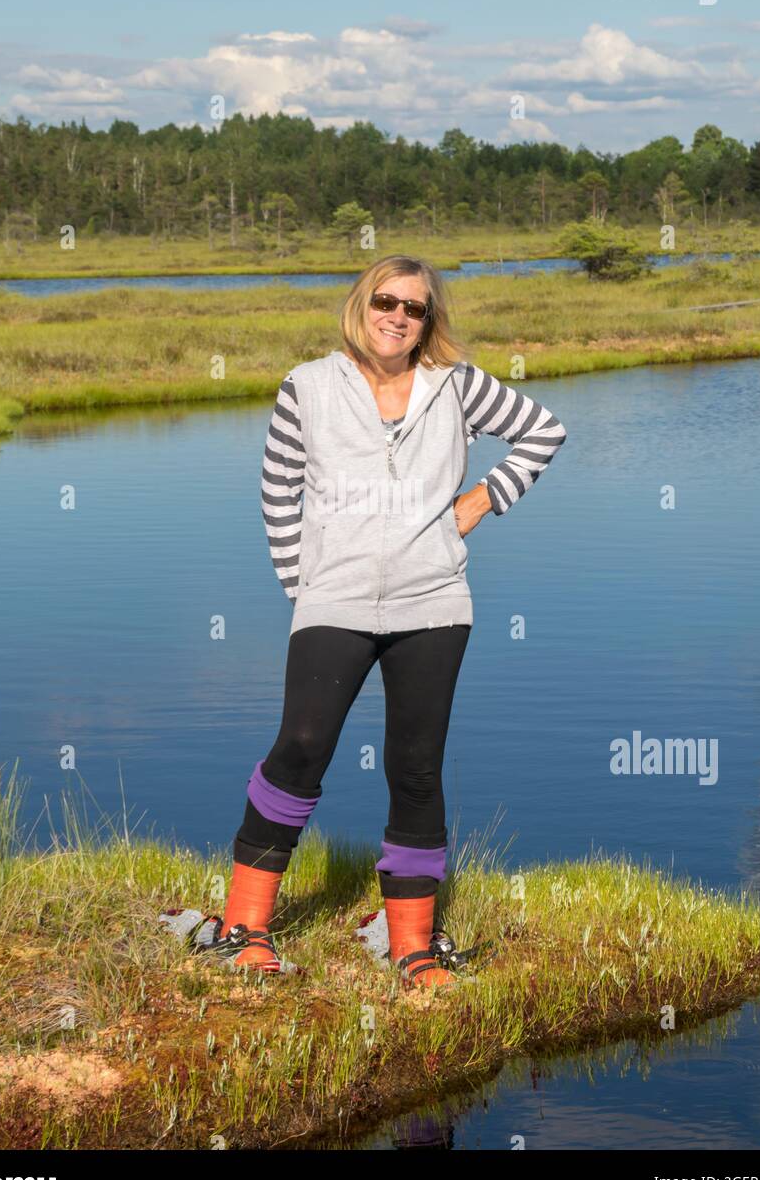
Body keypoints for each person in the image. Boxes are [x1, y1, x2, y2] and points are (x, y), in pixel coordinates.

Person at [216, 254, 566, 988]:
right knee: (303, 745)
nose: (398, 317)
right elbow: (278, 492)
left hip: (432, 601)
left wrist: (482, 499)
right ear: (361, 304)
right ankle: (243, 925)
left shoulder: (456, 386)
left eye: (415, 308)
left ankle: (413, 945)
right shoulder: (307, 387)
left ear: (428, 322)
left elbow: (543, 431)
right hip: (332, 599)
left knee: (414, 768)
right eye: (386, 301)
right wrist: (302, 587)